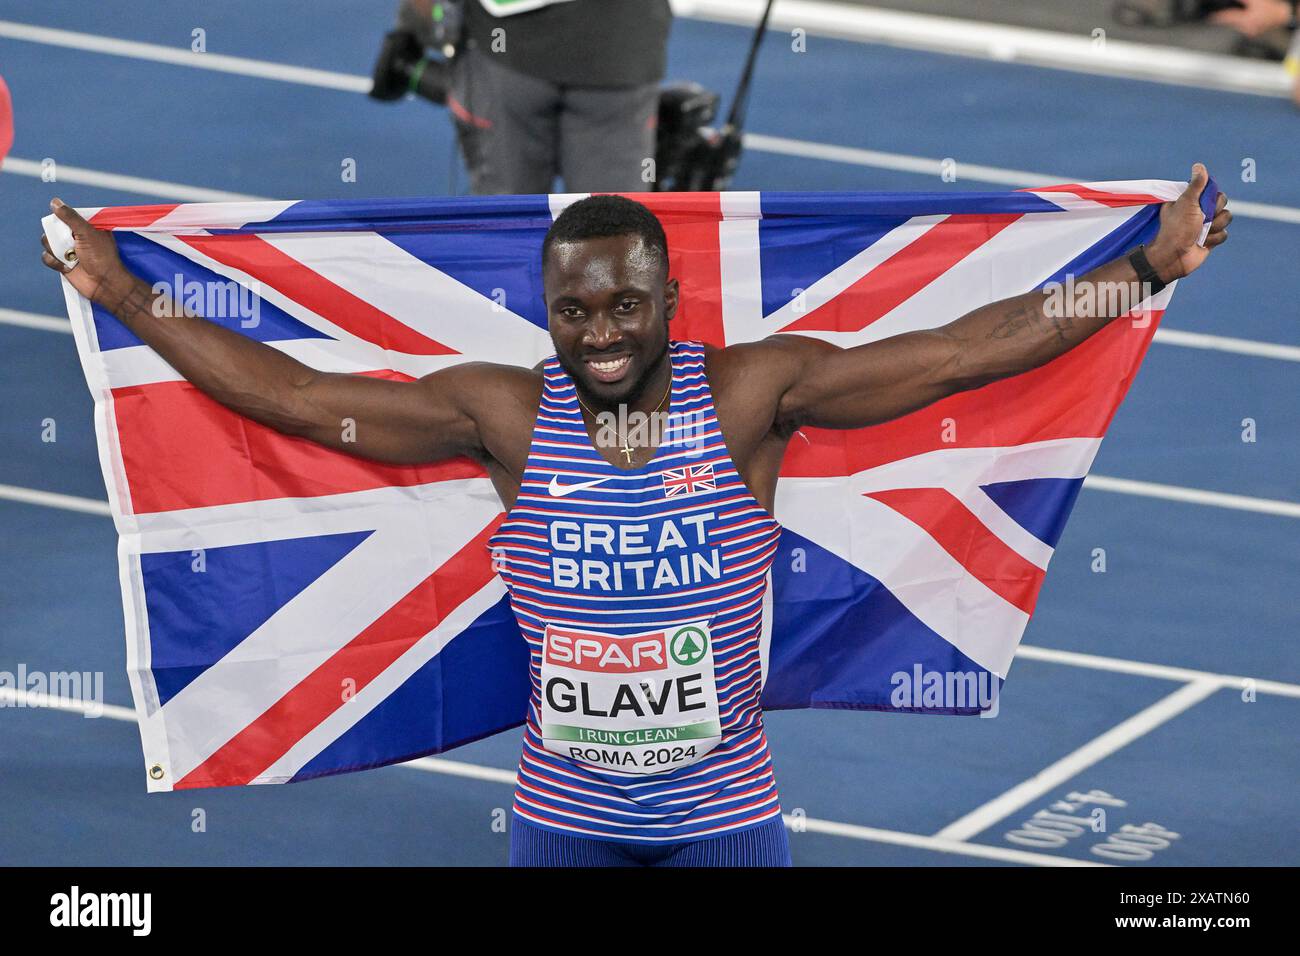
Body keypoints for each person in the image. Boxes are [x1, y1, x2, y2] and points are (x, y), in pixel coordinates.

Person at [41, 170, 1230, 866]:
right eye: (573, 310)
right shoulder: (507, 416)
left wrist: (1149, 268)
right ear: (548, 312)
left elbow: (967, 350)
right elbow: (293, 398)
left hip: (726, 820)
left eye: (622, 303)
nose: (599, 330)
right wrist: (125, 291)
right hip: (561, 822)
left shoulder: (752, 394)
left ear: (668, 295)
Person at [398, 0, 672, 193]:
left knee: (508, 230)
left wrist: (423, 21)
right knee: (613, 231)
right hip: (622, 49)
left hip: (507, 50)